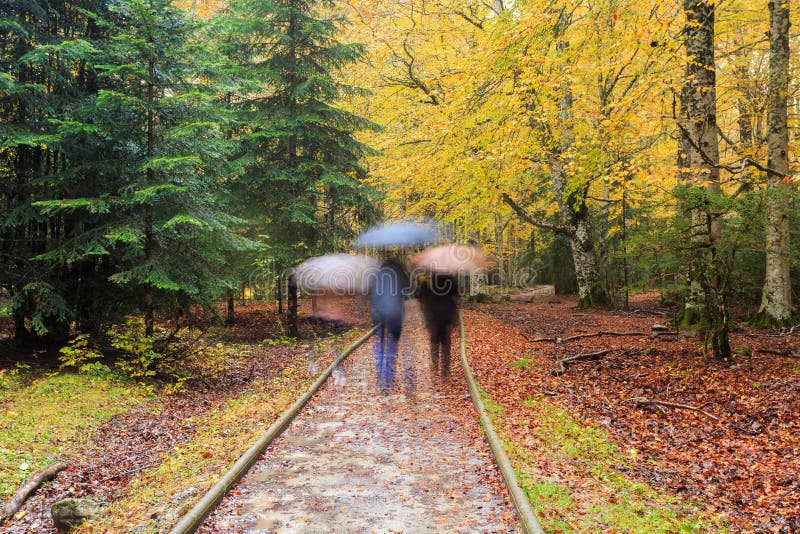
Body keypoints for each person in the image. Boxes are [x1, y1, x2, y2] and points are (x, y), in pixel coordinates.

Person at [369, 258, 410, 392]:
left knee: (379, 342)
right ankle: (387, 378)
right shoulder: (399, 273)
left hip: (377, 313)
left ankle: (380, 372)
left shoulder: (377, 273)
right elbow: (408, 288)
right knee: (392, 343)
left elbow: (369, 292)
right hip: (394, 313)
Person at [418, 273, 458, 377]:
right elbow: (456, 294)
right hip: (446, 313)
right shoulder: (450, 278)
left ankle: (435, 363)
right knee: (446, 341)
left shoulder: (431, 280)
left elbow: (423, 297)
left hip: (433, 314)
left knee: (434, 340)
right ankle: (445, 368)